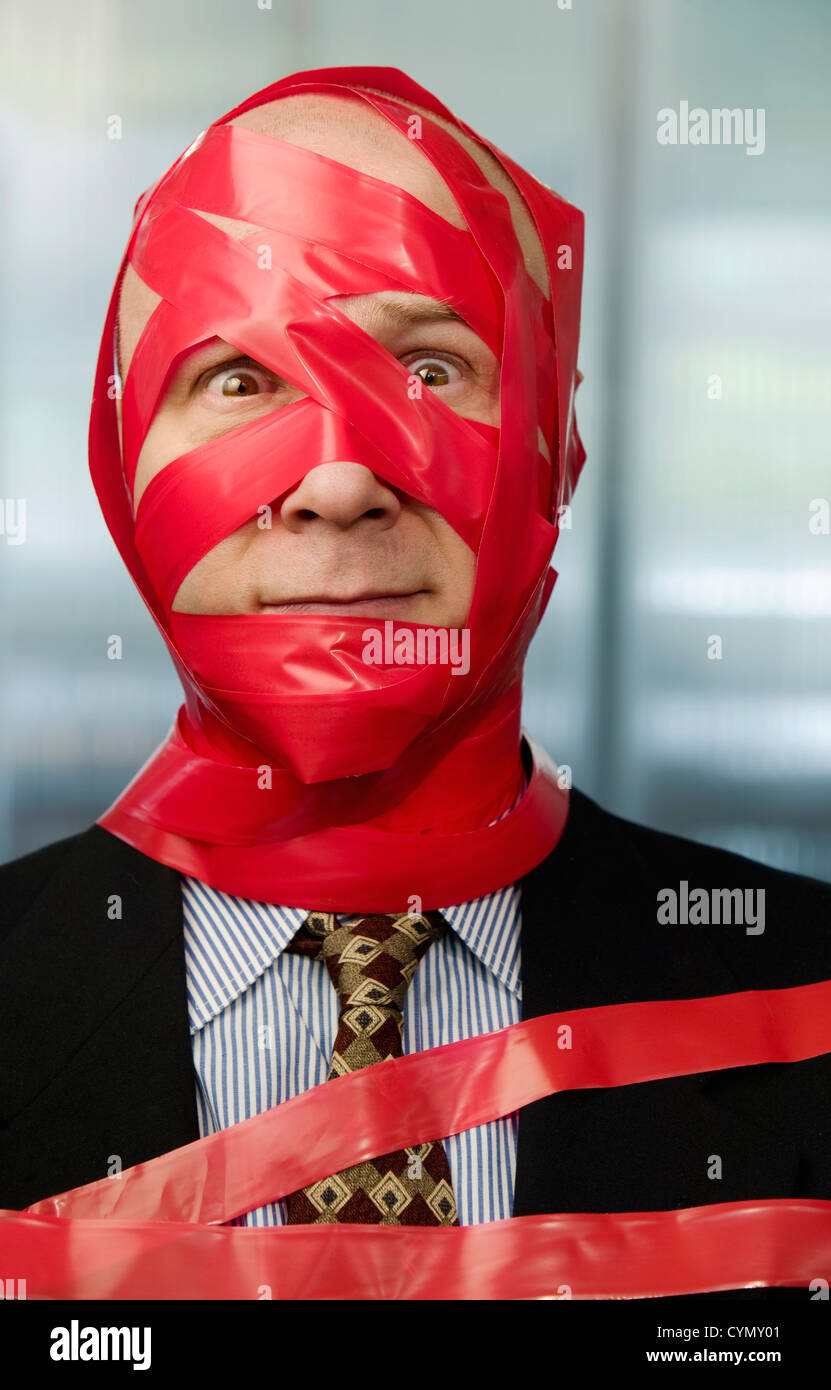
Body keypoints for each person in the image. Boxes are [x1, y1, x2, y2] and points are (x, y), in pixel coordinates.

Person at [1, 66, 830, 1300]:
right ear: (122, 464)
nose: (338, 483)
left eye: (430, 372)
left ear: (555, 446)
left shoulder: (803, 1000)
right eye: (240, 378)